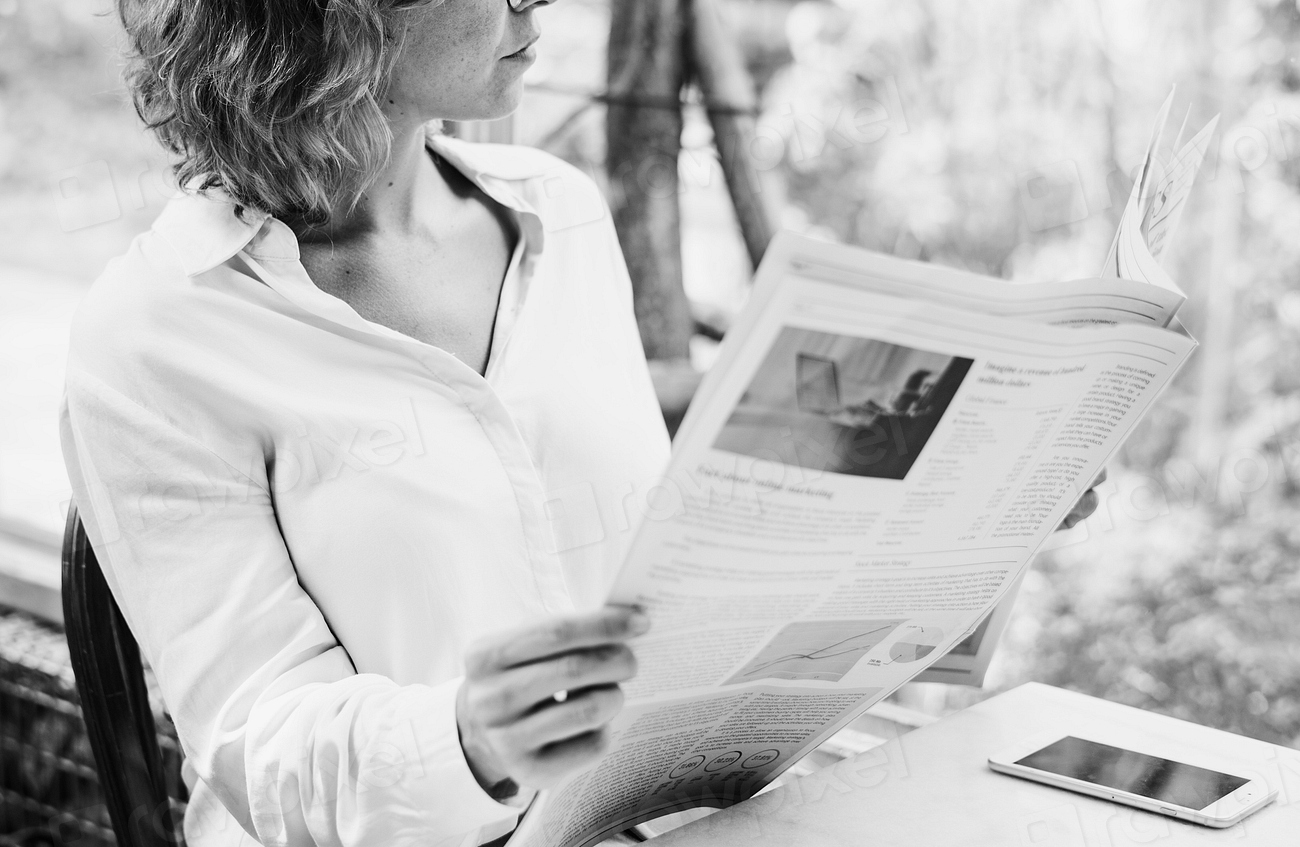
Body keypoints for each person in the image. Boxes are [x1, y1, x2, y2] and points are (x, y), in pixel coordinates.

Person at [60, 1, 1102, 845]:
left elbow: (667, 580)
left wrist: (972, 512)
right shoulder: (154, 336)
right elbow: (263, 751)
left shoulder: (559, 213)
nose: (537, 0)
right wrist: (466, 737)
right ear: (330, 16)